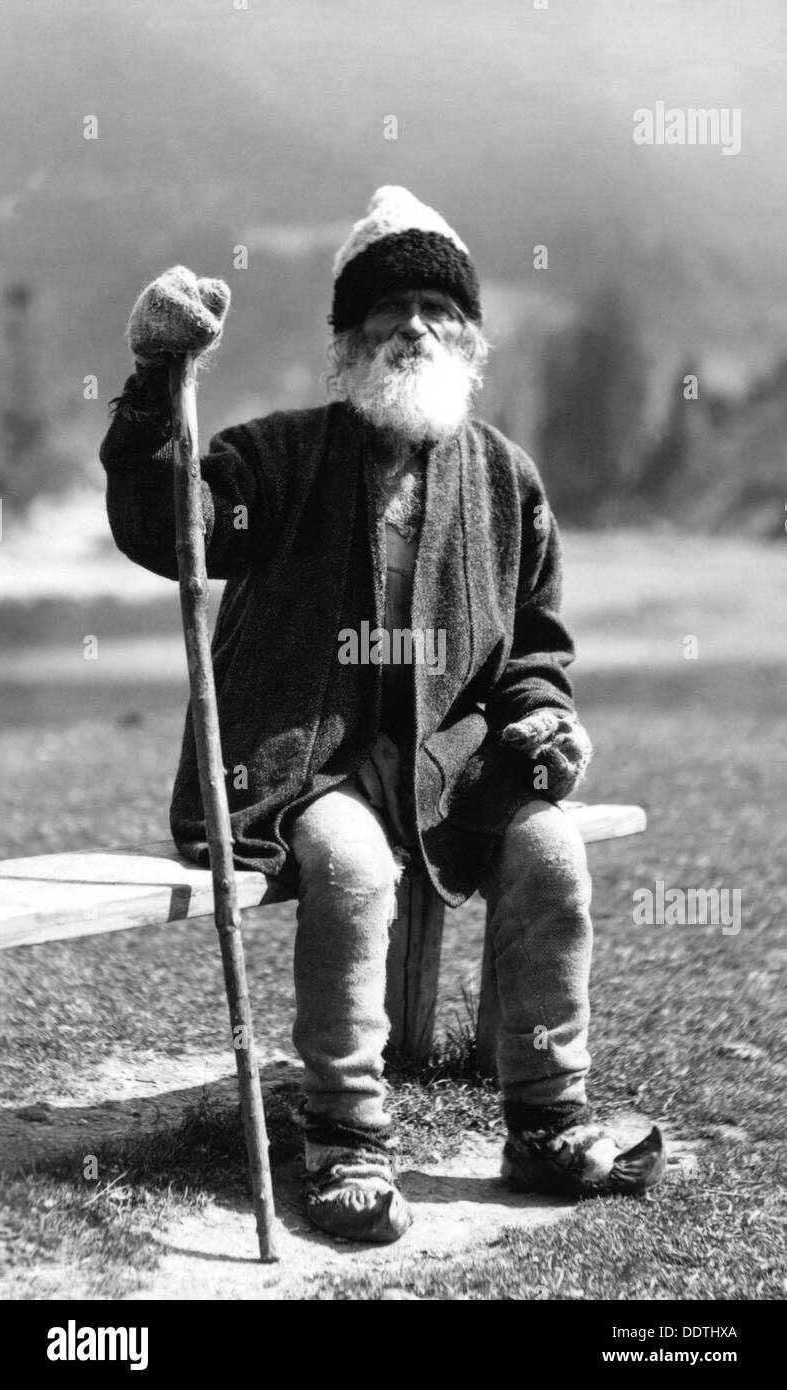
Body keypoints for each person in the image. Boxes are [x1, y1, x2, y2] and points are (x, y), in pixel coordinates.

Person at [100, 186, 665, 1245]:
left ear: (470, 338)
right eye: (386, 310)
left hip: (453, 770)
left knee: (550, 854)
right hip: (307, 768)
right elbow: (166, 527)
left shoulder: (506, 480)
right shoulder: (274, 459)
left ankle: (545, 1122)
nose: (412, 326)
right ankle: (346, 1140)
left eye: (436, 310)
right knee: (354, 870)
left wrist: (545, 722)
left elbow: (534, 651)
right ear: (347, 340)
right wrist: (152, 380)